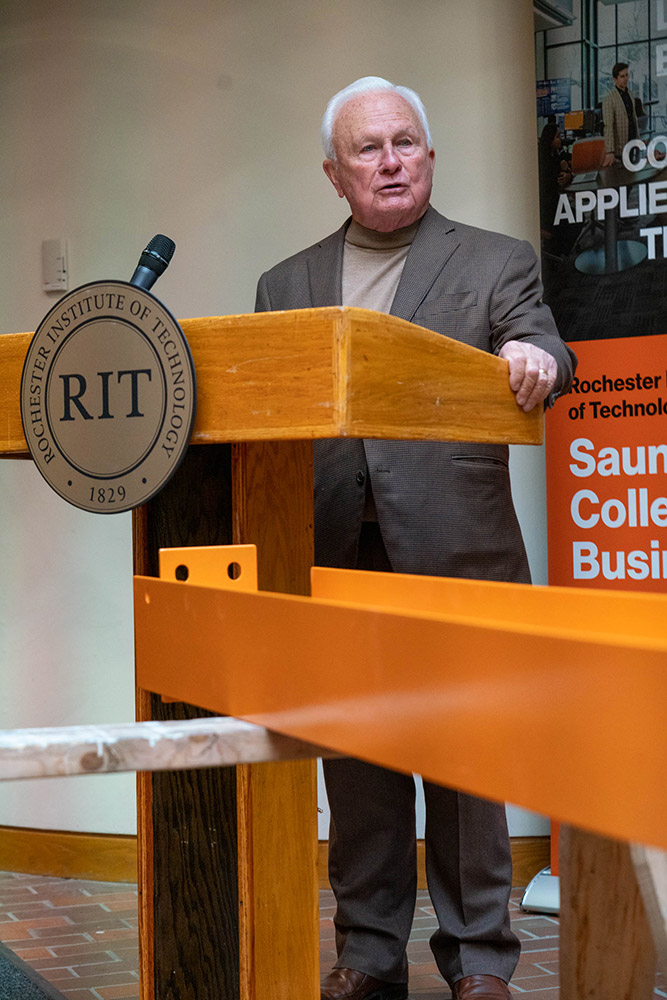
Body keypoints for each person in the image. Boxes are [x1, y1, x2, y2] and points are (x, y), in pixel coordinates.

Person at [255, 76, 576, 1000]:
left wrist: (530, 358)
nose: (390, 161)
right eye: (368, 148)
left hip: (455, 554)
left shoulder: (495, 260)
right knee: (357, 762)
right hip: (333, 556)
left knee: (467, 759)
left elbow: (545, 349)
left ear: (430, 156)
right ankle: (368, 953)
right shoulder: (287, 284)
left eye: (405, 142)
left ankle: (480, 961)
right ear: (334, 172)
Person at [602, 62, 639, 165]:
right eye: (622, 76)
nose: (626, 78)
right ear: (615, 79)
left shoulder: (630, 94)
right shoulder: (609, 99)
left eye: (627, 75)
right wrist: (610, 151)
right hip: (619, 148)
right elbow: (608, 126)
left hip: (632, 143)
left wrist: (639, 141)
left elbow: (633, 118)